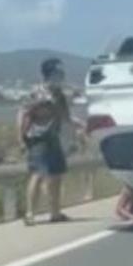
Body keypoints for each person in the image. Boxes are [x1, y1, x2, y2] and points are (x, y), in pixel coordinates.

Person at [18, 58, 85, 225]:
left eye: (62, 74)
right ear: (49, 74)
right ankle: (30, 213)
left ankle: (55, 212)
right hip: (38, 139)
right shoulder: (37, 92)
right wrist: (20, 138)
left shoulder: (59, 95)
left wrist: (81, 124)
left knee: (56, 174)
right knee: (38, 174)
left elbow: (65, 117)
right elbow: (23, 113)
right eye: (58, 73)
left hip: (54, 138)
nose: (61, 77)